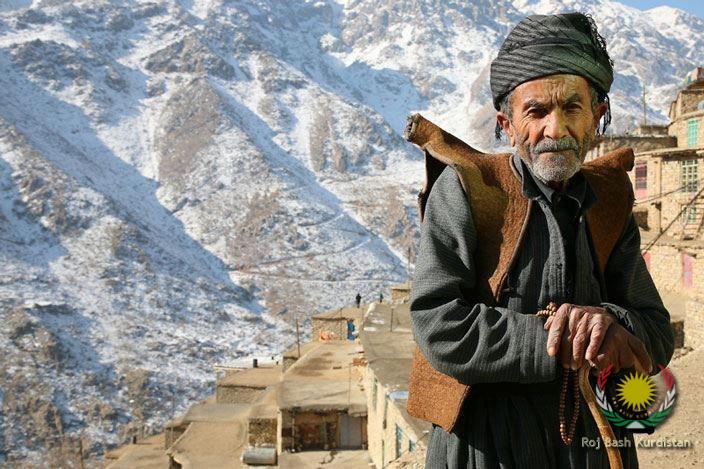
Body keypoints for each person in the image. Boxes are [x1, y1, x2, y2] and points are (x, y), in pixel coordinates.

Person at [408, 12, 675, 469]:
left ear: (597, 116)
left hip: (592, 442)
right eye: (536, 112)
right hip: (485, 445)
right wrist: (554, 338)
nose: (556, 129)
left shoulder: (609, 201)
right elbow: (437, 325)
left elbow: (655, 332)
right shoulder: (468, 191)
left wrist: (608, 323)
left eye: (573, 107)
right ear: (506, 123)